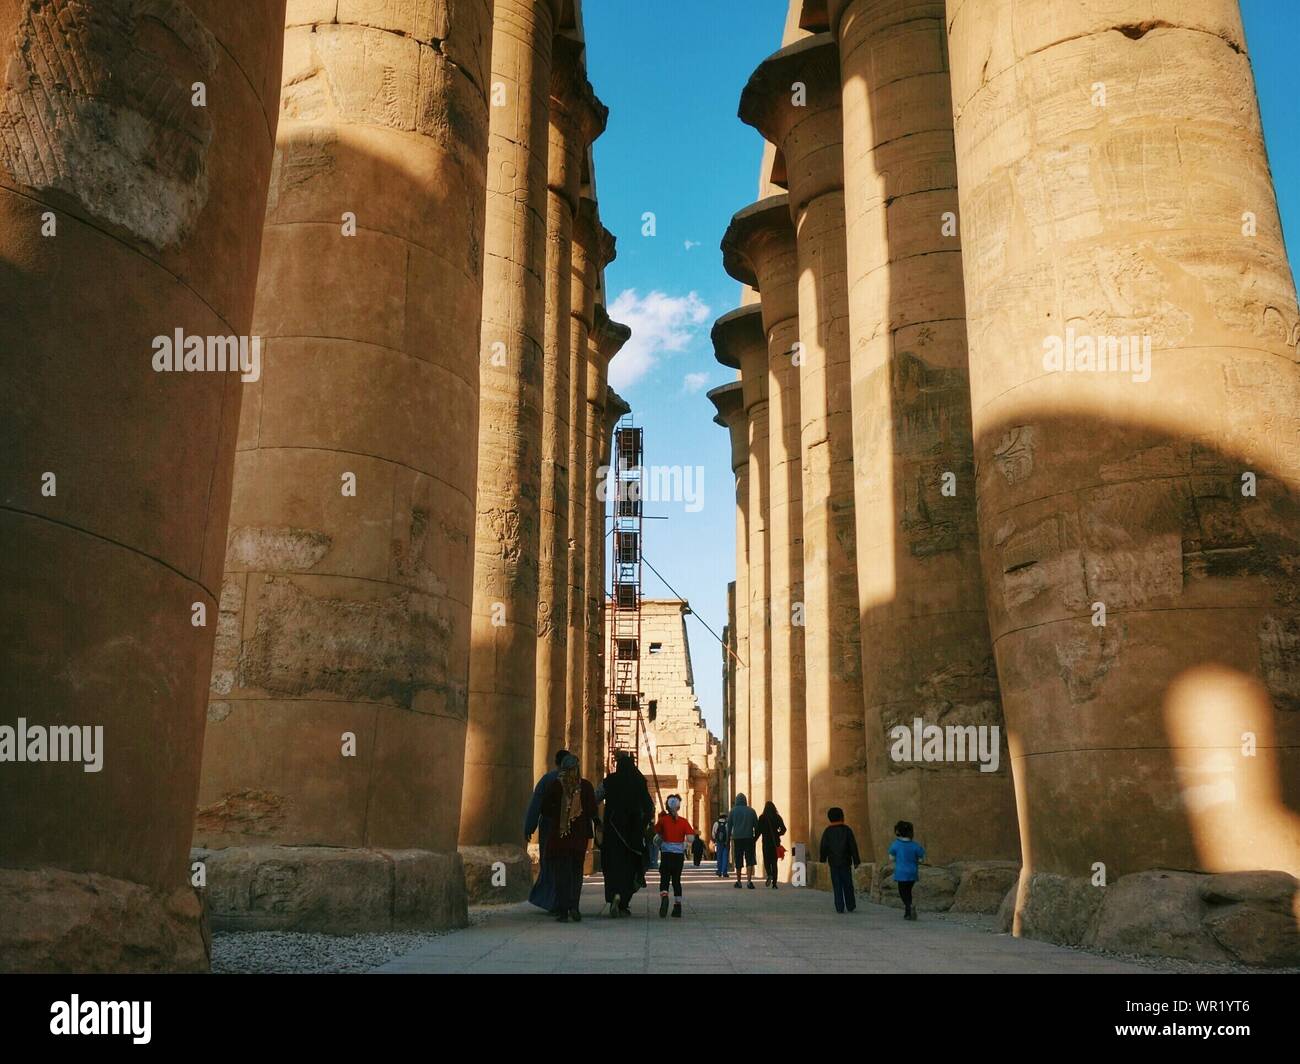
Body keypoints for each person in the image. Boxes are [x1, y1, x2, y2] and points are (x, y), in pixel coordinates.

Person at [539, 754, 598, 922]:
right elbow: (592, 810)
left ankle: (563, 910)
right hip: (579, 838)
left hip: (560, 837)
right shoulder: (585, 786)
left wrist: (559, 815)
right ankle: (574, 906)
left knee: (561, 874)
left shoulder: (556, 785)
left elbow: (544, 808)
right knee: (576, 873)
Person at [598, 752, 654, 917]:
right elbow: (649, 806)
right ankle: (623, 901)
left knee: (612, 865)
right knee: (630, 867)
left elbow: (595, 797)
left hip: (613, 831)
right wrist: (644, 824)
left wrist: (596, 819)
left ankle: (613, 894)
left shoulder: (610, 781)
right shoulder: (639, 781)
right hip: (633, 834)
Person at [524, 748, 571, 913]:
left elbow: (536, 803)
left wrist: (529, 826)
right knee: (565, 863)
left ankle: (551, 900)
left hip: (549, 826)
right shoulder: (577, 780)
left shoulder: (548, 779)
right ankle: (565, 901)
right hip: (569, 828)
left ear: (556, 762)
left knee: (549, 861)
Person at [653, 794, 696, 917]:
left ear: (667, 806)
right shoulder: (683, 821)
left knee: (664, 878)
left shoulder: (663, 820)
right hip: (678, 855)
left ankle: (664, 896)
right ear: (678, 807)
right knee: (676, 880)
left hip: (666, 854)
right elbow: (691, 838)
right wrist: (685, 845)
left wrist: (661, 820)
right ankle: (677, 906)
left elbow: (656, 835)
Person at [818, 806, 862, 914]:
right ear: (842, 817)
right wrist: (856, 860)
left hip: (833, 862)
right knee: (848, 884)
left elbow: (823, 846)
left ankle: (839, 906)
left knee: (837, 885)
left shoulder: (827, 831)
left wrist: (823, 858)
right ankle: (850, 905)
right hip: (845, 862)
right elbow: (853, 846)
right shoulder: (847, 830)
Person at [889, 820, 926, 921]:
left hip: (901, 873)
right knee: (908, 891)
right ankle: (908, 913)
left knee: (903, 892)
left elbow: (891, 858)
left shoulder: (896, 844)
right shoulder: (915, 845)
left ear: (898, 832)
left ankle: (909, 906)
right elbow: (921, 859)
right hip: (912, 873)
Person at [726, 793, 760, 889]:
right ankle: (749, 881)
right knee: (749, 860)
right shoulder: (751, 811)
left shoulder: (732, 811)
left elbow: (729, 827)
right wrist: (755, 838)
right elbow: (757, 827)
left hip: (737, 839)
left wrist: (727, 840)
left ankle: (739, 881)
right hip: (749, 838)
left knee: (738, 859)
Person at [756, 800, 787, 888]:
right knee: (774, 862)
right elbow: (784, 829)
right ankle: (774, 884)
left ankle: (769, 874)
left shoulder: (762, 818)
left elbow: (758, 831)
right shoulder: (777, 817)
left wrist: (754, 840)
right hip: (775, 842)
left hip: (766, 843)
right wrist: (778, 834)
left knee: (766, 860)